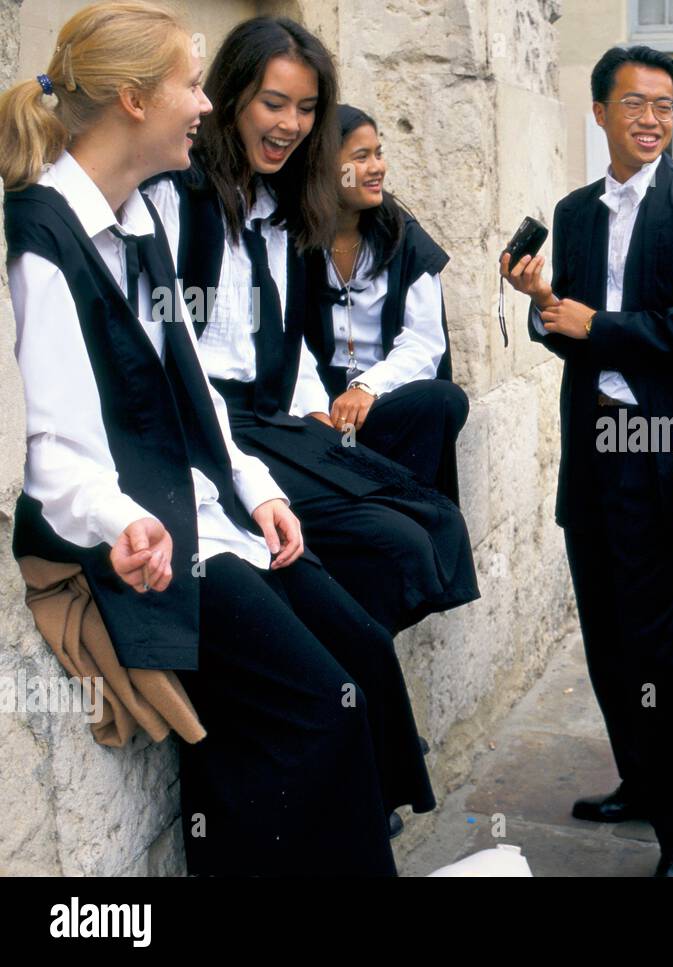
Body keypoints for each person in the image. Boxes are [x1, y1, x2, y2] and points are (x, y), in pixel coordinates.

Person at [0, 0, 430, 874]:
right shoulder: (42, 238)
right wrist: (122, 522)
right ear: (131, 101)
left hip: (199, 510)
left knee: (357, 654)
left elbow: (193, 389)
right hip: (135, 538)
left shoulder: (142, 218)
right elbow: (56, 452)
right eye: (190, 87)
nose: (205, 105)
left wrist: (259, 490)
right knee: (322, 706)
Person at [143, 17, 478, 638]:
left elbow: (282, 346)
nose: (289, 124)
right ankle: (348, 645)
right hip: (210, 427)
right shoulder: (175, 199)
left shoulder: (281, 215)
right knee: (393, 542)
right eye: (273, 103)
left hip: (276, 420)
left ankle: (351, 639)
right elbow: (164, 350)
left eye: (304, 109)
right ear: (231, 96)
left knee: (435, 524)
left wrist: (315, 414)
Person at [500, 45, 673, 875]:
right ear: (598, 112)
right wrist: (540, 308)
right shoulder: (575, 211)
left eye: (664, 104)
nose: (650, 117)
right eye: (634, 102)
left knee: (658, 646)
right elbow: (572, 338)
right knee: (605, 635)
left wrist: (591, 325)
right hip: (592, 443)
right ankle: (641, 780)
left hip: (654, 445)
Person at [302, 104, 468, 498]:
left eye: (379, 153)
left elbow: (425, 344)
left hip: (382, 404)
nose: (378, 167)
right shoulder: (295, 241)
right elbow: (286, 339)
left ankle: (408, 506)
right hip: (315, 409)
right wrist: (314, 406)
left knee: (442, 400)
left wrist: (367, 387)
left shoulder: (403, 238)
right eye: (361, 157)